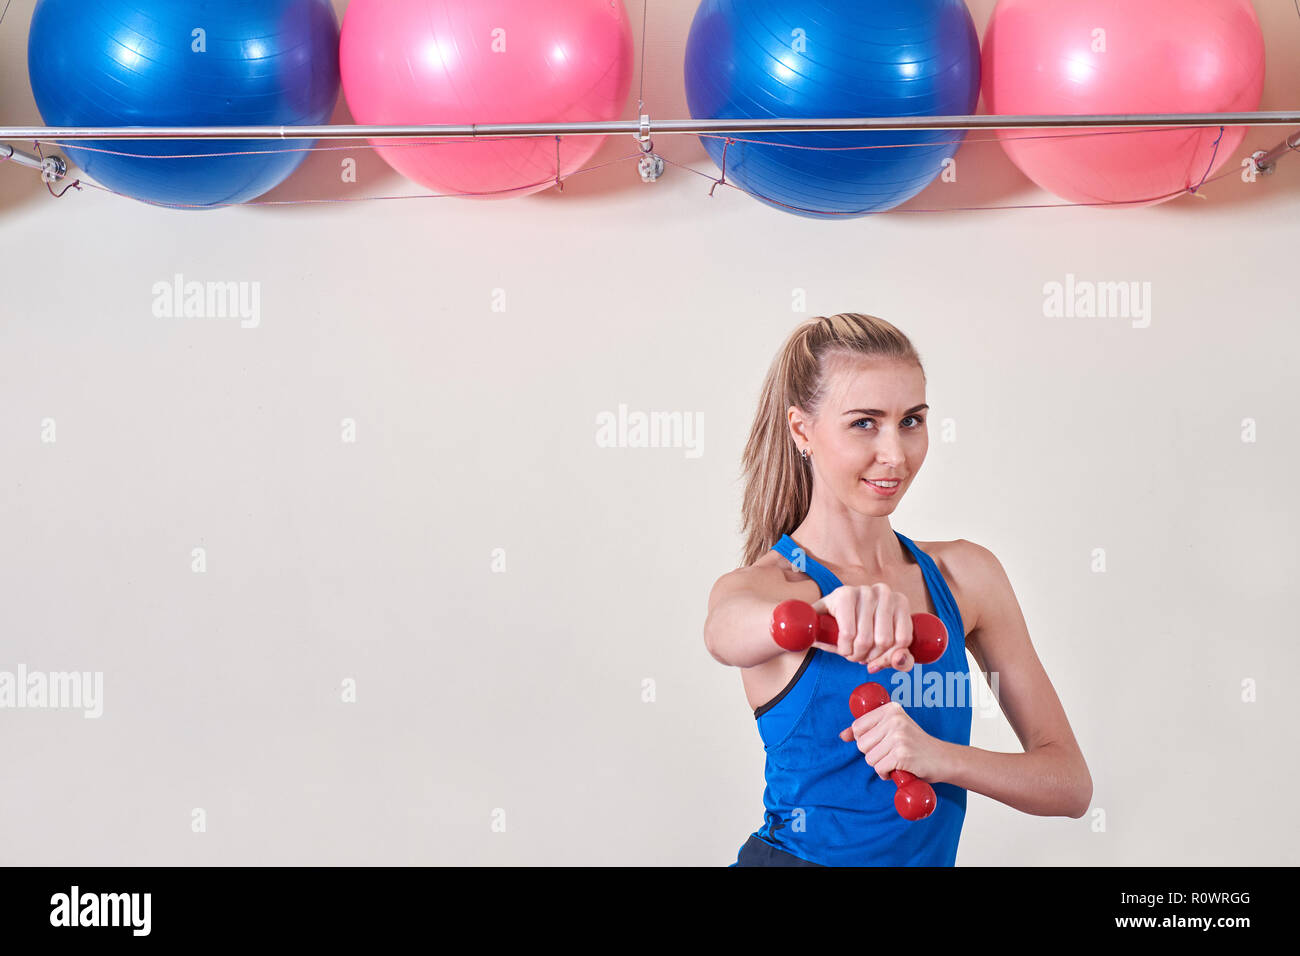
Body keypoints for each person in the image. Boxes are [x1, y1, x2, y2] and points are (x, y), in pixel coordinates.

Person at [704, 313, 1092, 866]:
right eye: (864, 423)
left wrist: (939, 758)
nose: (895, 453)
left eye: (911, 421)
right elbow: (723, 633)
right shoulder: (770, 585)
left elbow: (1069, 785)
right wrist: (821, 614)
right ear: (801, 431)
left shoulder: (965, 575)